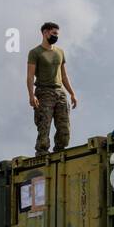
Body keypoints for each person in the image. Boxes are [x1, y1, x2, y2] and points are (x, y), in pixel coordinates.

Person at [27, 22, 77, 155]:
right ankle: (42, 153)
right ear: (45, 33)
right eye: (53, 33)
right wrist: (31, 95)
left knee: (64, 130)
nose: (56, 36)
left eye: (57, 34)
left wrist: (72, 93)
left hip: (60, 92)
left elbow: (64, 75)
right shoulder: (35, 52)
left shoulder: (60, 52)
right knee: (44, 127)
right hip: (44, 92)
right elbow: (30, 76)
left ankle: (59, 152)